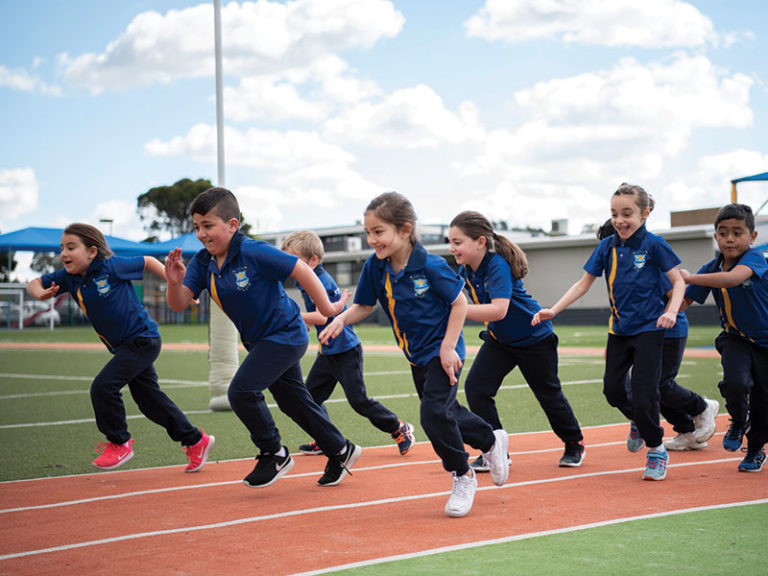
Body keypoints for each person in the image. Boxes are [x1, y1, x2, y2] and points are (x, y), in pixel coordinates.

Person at [319, 192, 508, 518]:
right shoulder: (375, 268)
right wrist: (340, 319)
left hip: (444, 353)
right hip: (416, 356)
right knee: (448, 413)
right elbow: (364, 305)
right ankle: (490, 441)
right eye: (368, 232)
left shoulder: (431, 266)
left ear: (405, 230)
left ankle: (462, 474)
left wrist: (448, 348)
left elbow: (459, 303)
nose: (371, 239)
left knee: (432, 414)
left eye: (379, 232)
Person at [165, 187, 362, 488]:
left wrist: (328, 308)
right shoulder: (203, 262)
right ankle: (341, 449)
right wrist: (174, 283)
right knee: (292, 401)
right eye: (196, 227)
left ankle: (274, 452)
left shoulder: (252, 251)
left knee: (241, 392)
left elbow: (301, 270)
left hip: (286, 334)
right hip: (260, 341)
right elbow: (179, 303)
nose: (201, 234)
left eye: (208, 226)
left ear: (232, 225)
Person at [26, 223, 214, 472]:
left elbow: (148, 261)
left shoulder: (112, 267)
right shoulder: (69, 278)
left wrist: (182, 285)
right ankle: (195, 440)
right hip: (125, 347)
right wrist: (40, 294)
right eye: (62, 248)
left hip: (142, 340)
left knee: (103, 387)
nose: (64, 254)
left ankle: (119, 443)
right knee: (149, 402)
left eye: (71, 247)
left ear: (92, 251)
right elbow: (34, 282)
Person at [532, 183, 685, 481]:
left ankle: (656, 449)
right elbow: (583, 283)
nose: (619, 220)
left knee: (644, 392)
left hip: (649, 331)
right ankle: (640, 420)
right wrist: (554, 309)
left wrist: (671, 312)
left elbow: (678, 282)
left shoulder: (654, 245)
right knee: (613, 392)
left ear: (645, 214)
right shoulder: (607, 247)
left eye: (627, 213)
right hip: (619, 332)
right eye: (614, 214)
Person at [448, 211, 585, 469]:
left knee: (548, 394)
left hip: (535, 338)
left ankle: (574, 442)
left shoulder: (497, 264)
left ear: (480, 242)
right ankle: (495, 449)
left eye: (458, 242)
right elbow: (452, 296)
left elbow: (499, 310)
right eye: (451, 242)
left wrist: (454, 310)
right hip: (501, 340)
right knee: (477, 389)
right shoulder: (464, 270)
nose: (452, 248)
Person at [280, 230, 415, 456]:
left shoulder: (321, 280)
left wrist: (294, 317)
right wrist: (305, 326)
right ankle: (327, 439)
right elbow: (315, 317)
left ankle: (398, 427)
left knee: (358, 400)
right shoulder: (305, 280)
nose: (290, 265)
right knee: (310, 399)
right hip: (327, 352)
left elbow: (324, 316)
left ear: (313, 260)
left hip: (346, 351)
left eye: (295, 259)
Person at [594, 219, 719, 452]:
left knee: (658, 384)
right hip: (633, 332)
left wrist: (667, 314)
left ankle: (701, 407)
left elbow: (677, 296)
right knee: (632, 388)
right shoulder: (615, 265)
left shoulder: (646, 263)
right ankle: (673, 426)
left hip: (668, 330)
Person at [681, 203, 767, 472]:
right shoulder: (711, 267)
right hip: (735, 339)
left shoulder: (754, 259)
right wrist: (660, 314)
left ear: (752, 237)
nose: (730, 238)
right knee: (735, 382)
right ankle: (739, 420)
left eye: (737, 233)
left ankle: (754, 449)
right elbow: (683, 301)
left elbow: (732, 280)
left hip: (766, 344)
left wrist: (690, 277)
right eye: (723, 232)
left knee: (764, 401)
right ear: (716, 236)